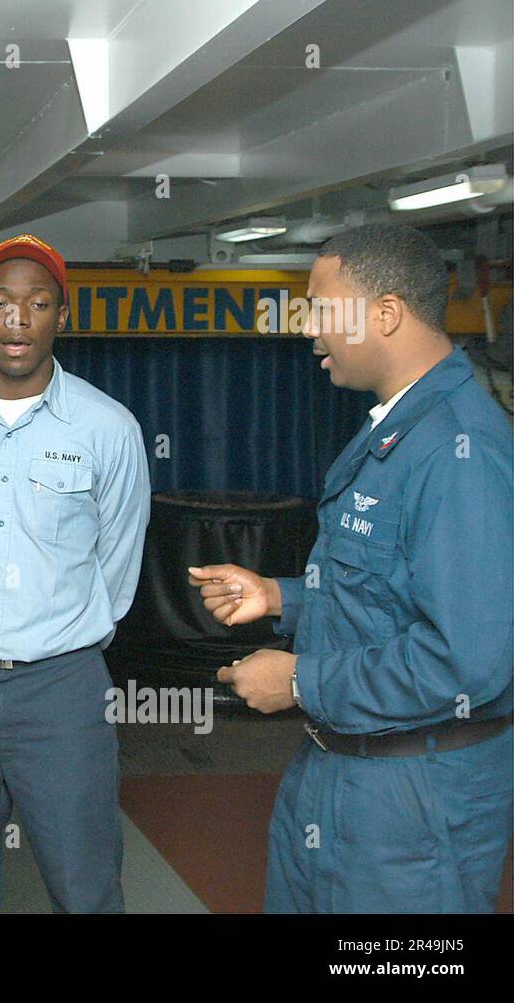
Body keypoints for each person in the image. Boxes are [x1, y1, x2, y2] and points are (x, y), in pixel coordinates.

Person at [190, 223, 513, 913]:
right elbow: (388, 590)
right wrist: (281, 599)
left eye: (322, 311)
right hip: (342, 765)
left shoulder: (459, 451)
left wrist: (302, 680)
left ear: (388, 314)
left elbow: (468, 661)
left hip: (412, 800)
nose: (310, 332)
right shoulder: (395, 426)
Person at [0, 234, 151, 913]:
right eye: (1, 302)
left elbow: (118, 567)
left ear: (61, 316)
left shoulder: (109, 428)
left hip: (64, 692)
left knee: (85, 886)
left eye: (38, 304)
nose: (18, 319)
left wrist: (57, 636)